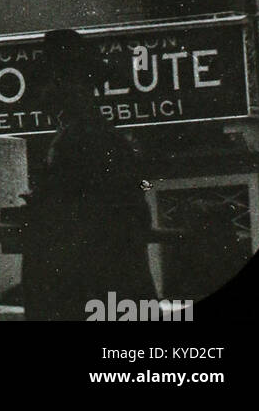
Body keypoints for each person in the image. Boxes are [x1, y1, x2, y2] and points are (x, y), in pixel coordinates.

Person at [17, 29, 157, 320]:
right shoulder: (94, 136)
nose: (44, 95)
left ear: (64, 85)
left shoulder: (82, 139)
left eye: (49, 84)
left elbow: (85, 218)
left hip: (88, 291)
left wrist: (41, 208)